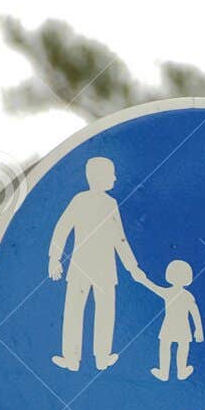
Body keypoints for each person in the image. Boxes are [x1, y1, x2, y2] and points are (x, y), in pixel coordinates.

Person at [47, 156, 145, 372]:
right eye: (111, 174)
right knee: (76, 312)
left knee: (103, 313)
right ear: (98, 177)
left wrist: (133, 267)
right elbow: (62, 228)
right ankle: (73, 358)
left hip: (103, 269)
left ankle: (100, 358)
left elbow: (119, 238)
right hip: (85, 267)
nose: (115, 178)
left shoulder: (110, 203)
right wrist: (54, 258)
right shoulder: (80, 200)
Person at [136, 259, 204, 381]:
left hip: (170, 325)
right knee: (182, 347)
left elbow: (153, 287)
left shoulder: (168, 292)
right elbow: (195, 314)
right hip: (182, 326)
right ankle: (181, 371)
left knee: (165, 346)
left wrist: (142, 279)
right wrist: (198, 330)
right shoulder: (187, 296)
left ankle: (164, 372)